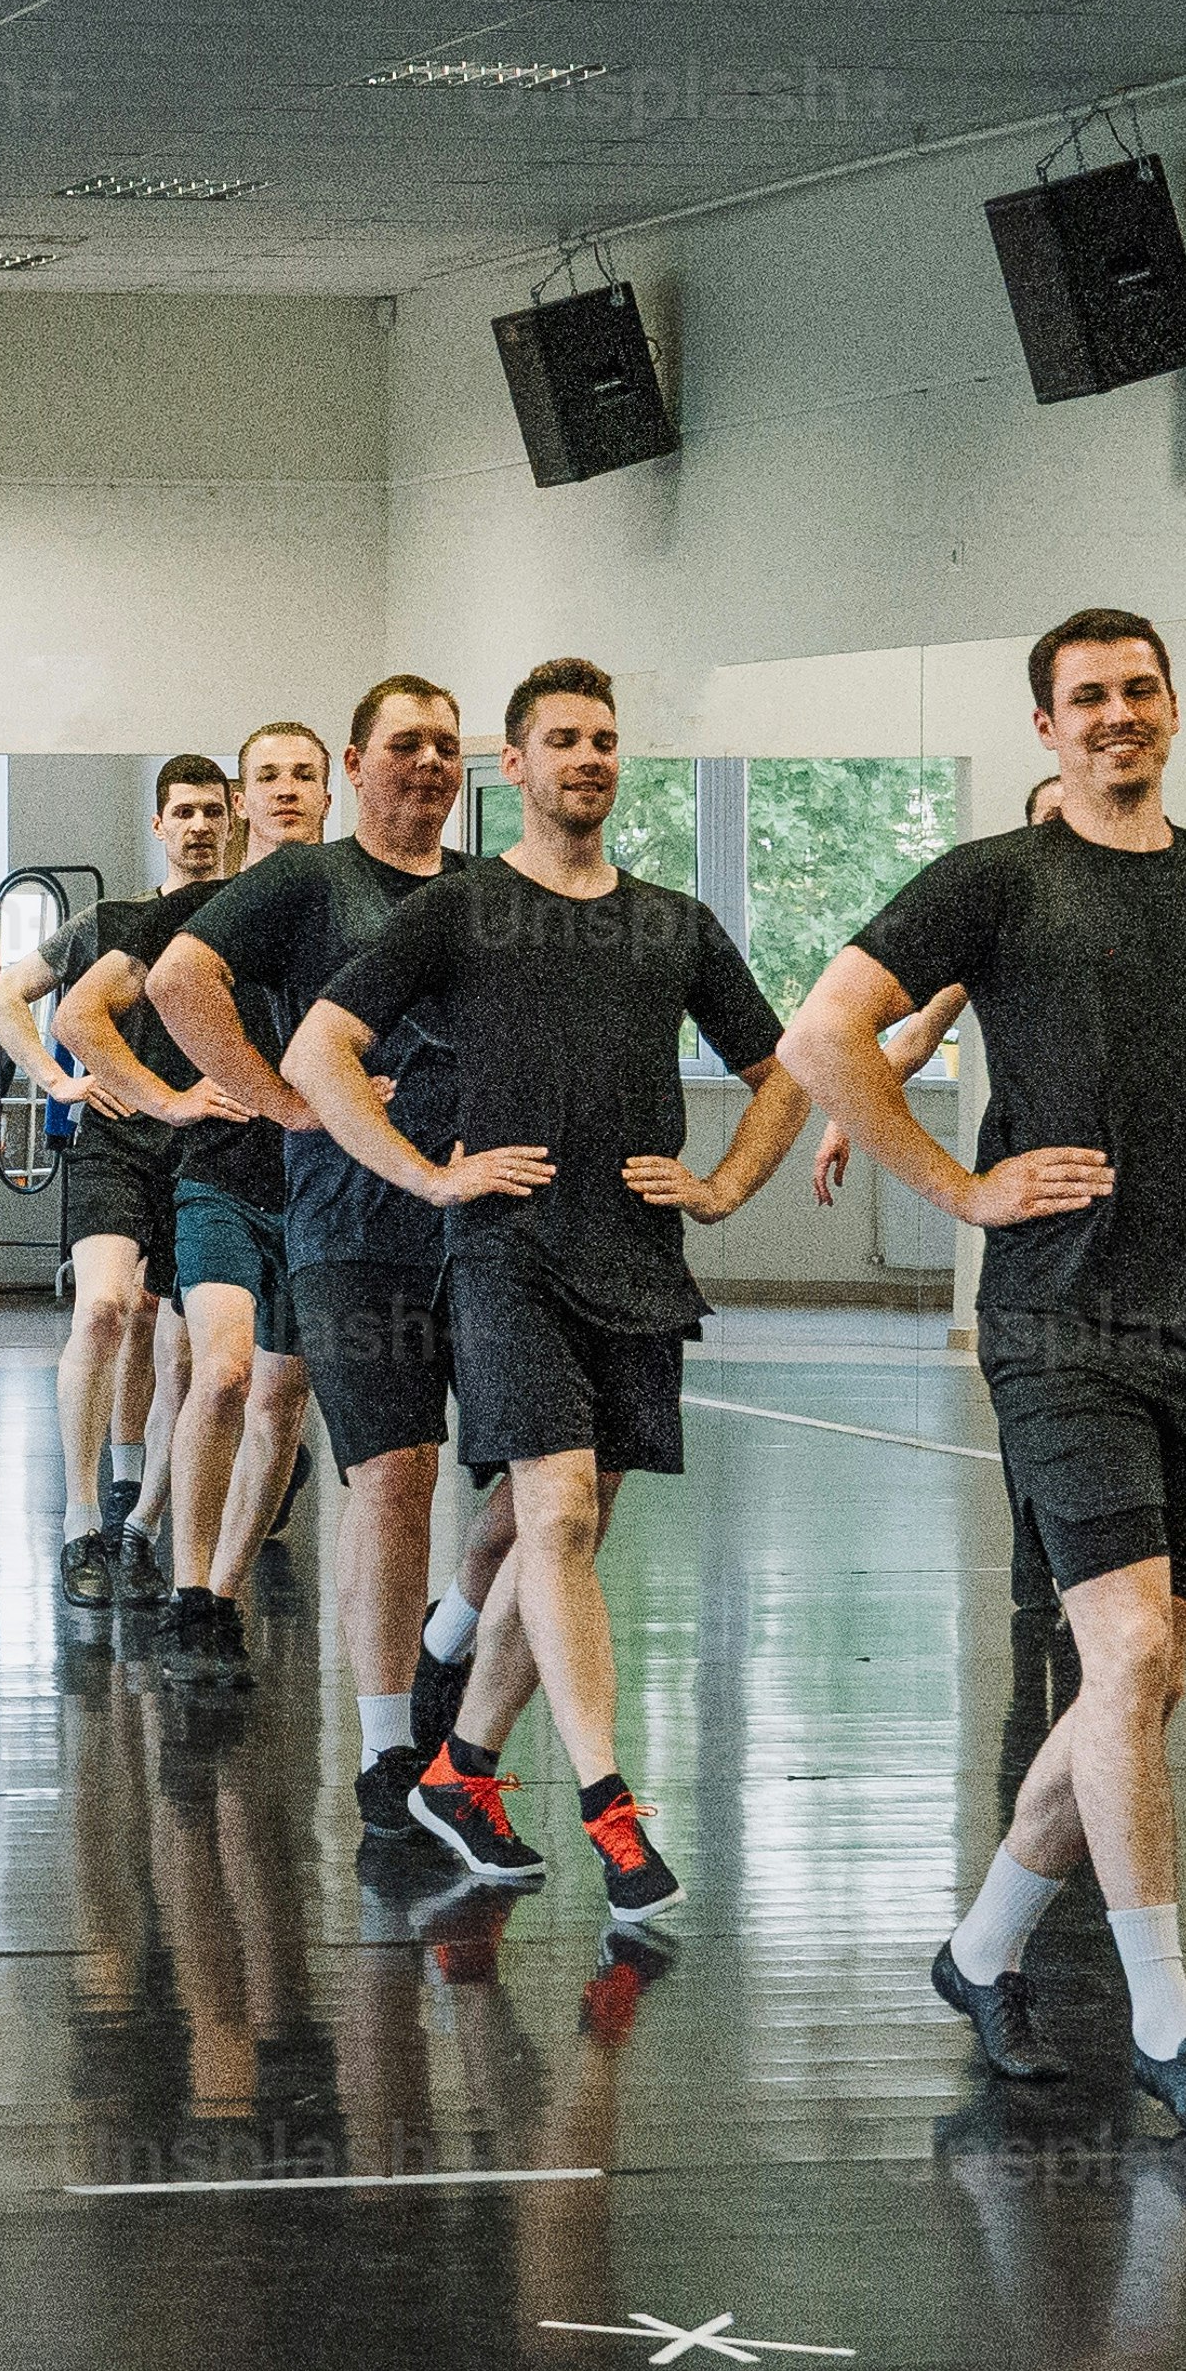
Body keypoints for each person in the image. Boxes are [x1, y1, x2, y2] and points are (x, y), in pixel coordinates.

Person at [806, 610, 1186, 2140]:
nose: (1116, 717)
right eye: (1085, 699)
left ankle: (979, 1954)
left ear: (1173, 708)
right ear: (1047, 728)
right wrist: (960, 1191)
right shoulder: (998, 880)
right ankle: (1167, 2022)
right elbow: (828, 1036)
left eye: (1138, 691)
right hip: (1057, 1324)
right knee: (1137, 1667)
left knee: (1124, 1685)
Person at [295, 661, 811, 1930]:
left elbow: (787, 1070)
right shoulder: (461, 909)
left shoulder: (674, 922)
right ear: (511, 767)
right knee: (559, 1513)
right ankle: (610, 1805)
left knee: (556, 1539)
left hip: (636, 1257)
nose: (589, 755)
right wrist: (426, 1171)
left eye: (606, 739)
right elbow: (320, 1049)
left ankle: (464, 1771)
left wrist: (729, 1183)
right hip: (505, 1250)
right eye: (562, 739)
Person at [152, 684, 512, 1854]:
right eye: (401, 744)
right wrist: (283, 1099)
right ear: (357, 763)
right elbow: (176, 982)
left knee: (545, 1486)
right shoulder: (308, 879)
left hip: (484, 1221)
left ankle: (448, 1639)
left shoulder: (484, 890)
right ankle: (386, 1747)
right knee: (395, 1474)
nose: (424, 762)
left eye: (441, 746)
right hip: (353, 1223)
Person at [54, 721, 332, 1670]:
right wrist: (165, 1097)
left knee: (269, 1398)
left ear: (331, 795)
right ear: (242, 802)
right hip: (210, 1169)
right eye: (268, 777)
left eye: (306, 775)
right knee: (211, 1370)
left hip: (326, 1185)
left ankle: (196, 1569)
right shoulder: (183, 919)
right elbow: (75, 1013)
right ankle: (134, 1545)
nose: (287, 791)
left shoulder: (356, 903)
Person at [9, 758, 243, 1588]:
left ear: (233, 818)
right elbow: (7, 997)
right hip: (117, 1136)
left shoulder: (244, 916)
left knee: (176, 1343)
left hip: (206, 1148)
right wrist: (57, 1080)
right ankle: (80, 1522)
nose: (198, 826)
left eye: (212, 811)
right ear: (159, 825)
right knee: (105, 1309)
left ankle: (140, 1515)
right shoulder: (110, 921)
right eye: (182, 812)